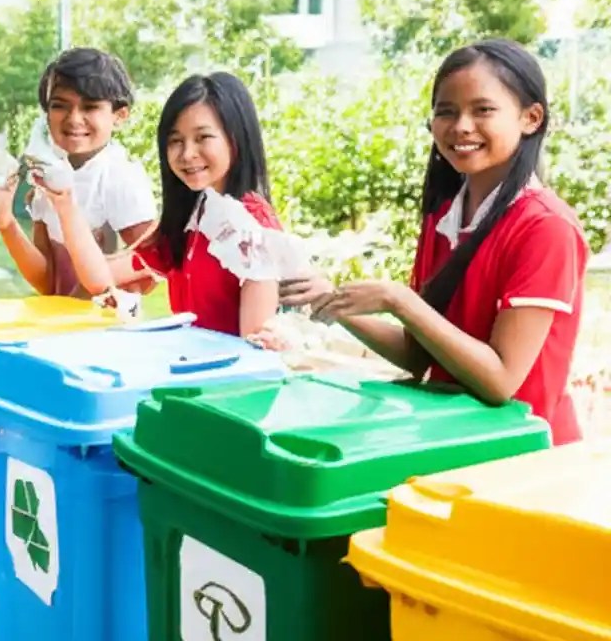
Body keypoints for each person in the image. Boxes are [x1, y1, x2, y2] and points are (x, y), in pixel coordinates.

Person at [282, 38, 588, 445]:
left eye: (483, 110)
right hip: (452, 444)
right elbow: (418, 355)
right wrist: (334, 303)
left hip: (526, 458)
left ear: (531, 118)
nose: (461, 126)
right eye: (446, 111)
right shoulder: (444, 218)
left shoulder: (546, 228)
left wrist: (399, 301)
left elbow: (501, 381)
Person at [47, 72, 282, 337]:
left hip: (221, 377)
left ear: (236, 138)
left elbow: (255, 347)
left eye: (203, 137)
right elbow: (99, 278)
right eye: (175, 141)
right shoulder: (192, 216)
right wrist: (64, 202)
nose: (187, 154)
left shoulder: (253, 228)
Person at [0, 47, 158, 298]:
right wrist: (6, 223)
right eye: (59, 106)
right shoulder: (50, 174)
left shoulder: (119, 177)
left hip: (105, 331)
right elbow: (47, 280)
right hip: (61, 326)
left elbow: (150, 270)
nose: (74, 118)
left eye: (90, 107)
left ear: (119, 115)